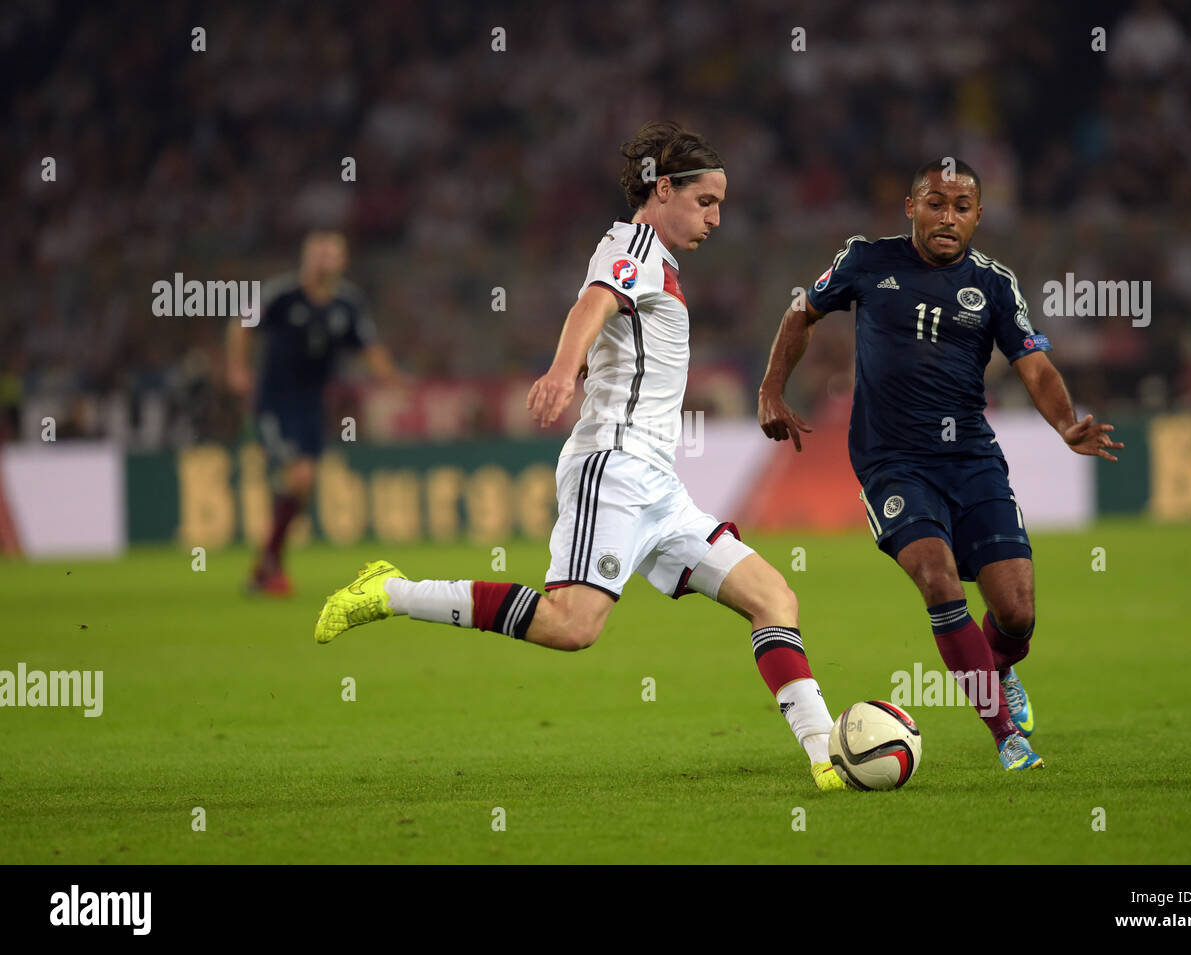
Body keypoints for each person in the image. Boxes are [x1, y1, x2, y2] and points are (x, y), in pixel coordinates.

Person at [314, 121, 845, 791]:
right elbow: (593, 301)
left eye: (721, 204)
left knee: (773, 596)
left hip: (658, 484)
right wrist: (564, 370)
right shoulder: (636, 243)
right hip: (613, 466)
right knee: (571, 626)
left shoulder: (658, 260)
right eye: (705, 201)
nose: (716, 217)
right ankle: (389, 591)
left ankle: (826, 754)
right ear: (662, 189)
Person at [758, 159, 1123, 771]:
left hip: (971, 460)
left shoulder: (997, 285)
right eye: (935, 203)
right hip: (891, 462)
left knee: (1017, 612)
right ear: (911, 207)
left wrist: (1065, 424)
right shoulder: (866, 261)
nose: (947, 216)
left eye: (961, 206)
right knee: (938, 579)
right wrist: (771, 389)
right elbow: (801, 312)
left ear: (978, 215)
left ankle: (999, 667)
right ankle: (1008, 736)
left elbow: (1033, 364)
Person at [227, 230, 405, 595]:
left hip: (312, 406)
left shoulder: (348, 304)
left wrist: (396, 382)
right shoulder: (282, 295)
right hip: (275, 403)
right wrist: (238, 370)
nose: (325, 259)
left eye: (332, 253)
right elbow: (241, 325)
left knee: (301, 487)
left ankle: (265, 566)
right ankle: (272, 568)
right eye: (318, 253)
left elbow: (369, 348)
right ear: (306, 258)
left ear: (343, 260)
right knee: (301, 476)